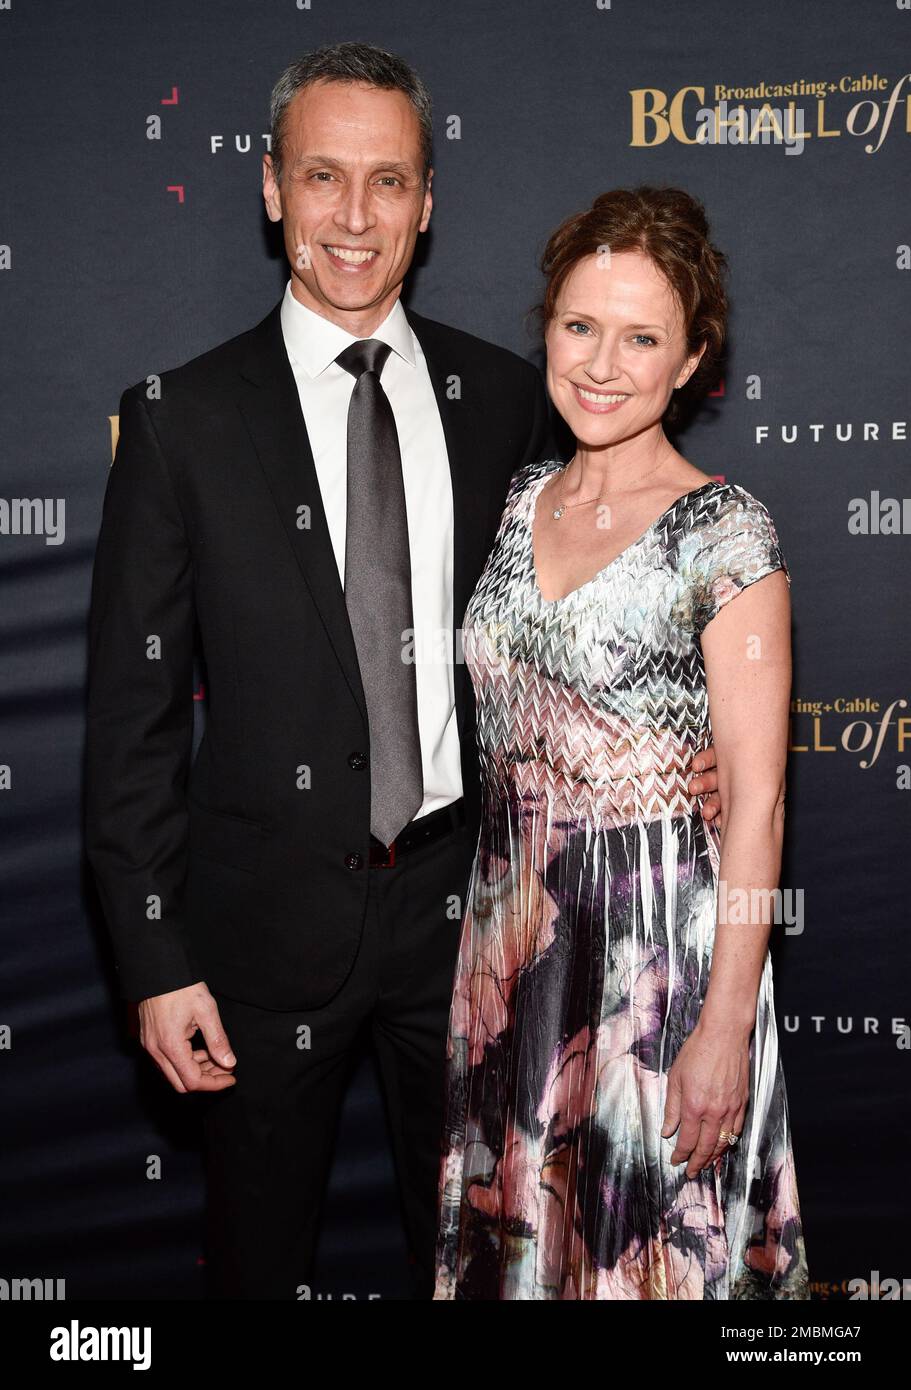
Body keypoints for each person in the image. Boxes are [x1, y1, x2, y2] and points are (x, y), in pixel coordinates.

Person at [83, 44, 721, 1301]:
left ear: (428, 202)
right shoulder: (180, 419)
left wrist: (680, 736)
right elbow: (131, 721)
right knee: (257, 1264)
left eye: (389, 181)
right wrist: (155, 958)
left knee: (495, 1265)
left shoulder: (508, 400)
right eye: (324, 177)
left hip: (473, 923)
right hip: (258, 939)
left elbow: (591, 621)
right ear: (271, 188)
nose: (356, 218)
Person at [434, 186, 810, 1300]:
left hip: (661, 952)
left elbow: (755, 803)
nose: (601, 363)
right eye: (579, 326)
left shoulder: (724, 529)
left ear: (691, 360)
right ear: (545, 327)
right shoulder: (510, 503)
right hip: (511, 939)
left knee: (652, 1260)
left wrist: (724, 1023)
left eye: (640, 336)